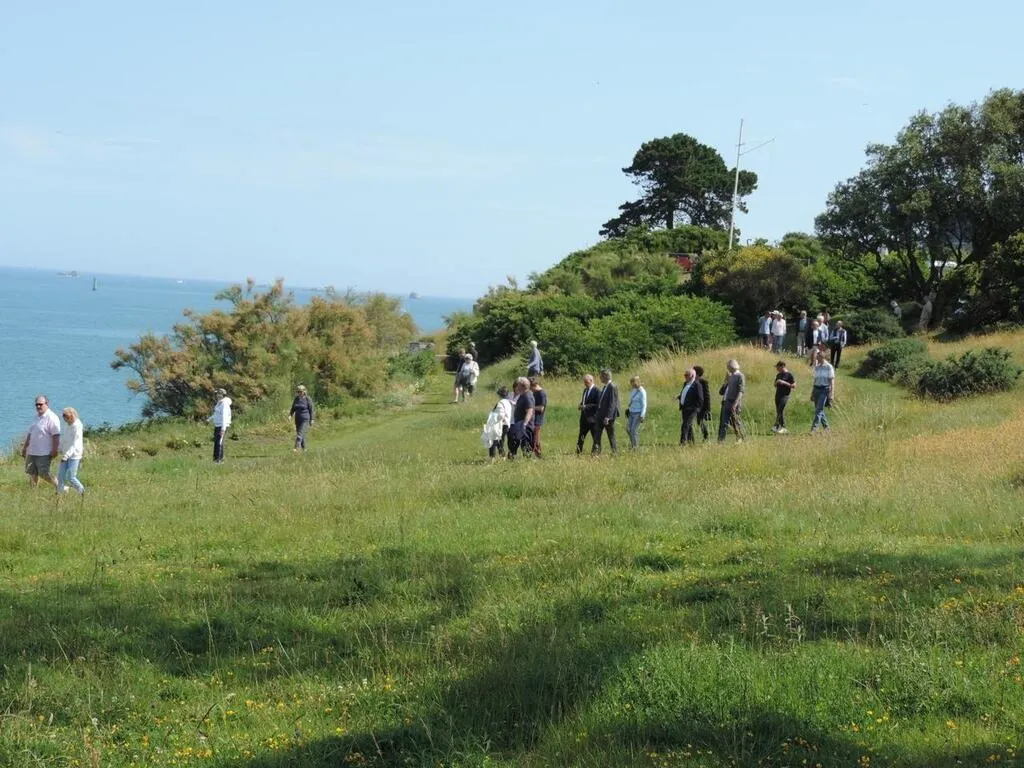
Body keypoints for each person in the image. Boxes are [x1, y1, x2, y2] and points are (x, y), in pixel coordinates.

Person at [22, 394, 61, 488]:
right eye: (36, 405)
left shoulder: (52, 418)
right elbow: (30, 433)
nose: (38, 406)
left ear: (47, 404)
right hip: (32, 451)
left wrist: (55, 450)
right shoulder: (36, 416)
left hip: (44, 452)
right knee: (32, 473)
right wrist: (25, 448)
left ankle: (60, 486)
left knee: (44, 473)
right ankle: (33, 493)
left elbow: (56, 435)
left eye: (40, 404)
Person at [56, 407, 86, 496]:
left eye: (66, 416)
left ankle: (82, 492)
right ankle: (59, 494)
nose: (65, 419)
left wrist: (66, 456)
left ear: (71, 416)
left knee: (71, 477)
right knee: (60, 476)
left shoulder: (77, 426)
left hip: (74, 456)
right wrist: (59, 449)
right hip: (65, 454)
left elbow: (75, 443)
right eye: (63, 416)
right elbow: (64, 439)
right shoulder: (67, 425)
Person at [717, 359, 746, 443]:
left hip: (734, 402)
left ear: (732, 366)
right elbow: (721, 392)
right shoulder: (730, 376)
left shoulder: (740, 376)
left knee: (736, 422)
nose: (728, 368)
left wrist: (735, 403)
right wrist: (726, 381)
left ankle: (741, 438)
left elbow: (741, 391)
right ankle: (720, 441)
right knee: (723, 422)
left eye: (728, 367)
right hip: (726, 402)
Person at [592, 369, 620, 455]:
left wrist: (608, 417)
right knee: (597, 434)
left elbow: (612, 403)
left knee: (610, 435)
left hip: (607, 417)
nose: (600, 378)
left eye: (601, 376)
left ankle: (615, 452)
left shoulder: (612, 387)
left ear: (605, 376)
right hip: (600, 415)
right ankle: (596, 452)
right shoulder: (605, 387)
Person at [481, 386, 513, 460]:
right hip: (506, 424)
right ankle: (503, 457)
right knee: (500, 442)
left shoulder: (501, 403)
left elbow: (501, 415)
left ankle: (492, 459)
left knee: (492, 441)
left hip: (499, 424)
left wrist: (495, 421)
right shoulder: (508, 402)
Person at [507, 377, 535, 458]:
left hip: (525, 425)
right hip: (519, 424)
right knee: (514, 440)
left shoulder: (527, 396)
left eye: (518, 385)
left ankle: (528, 460)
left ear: (522, 386)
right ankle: (513, 455)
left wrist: (525, 424)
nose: (516, 387)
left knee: (525, 444)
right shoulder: (523, 395)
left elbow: (530, 410)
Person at [810, 348, 836, 433]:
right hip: (817, 389)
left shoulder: (829, 367)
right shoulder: (817, 367)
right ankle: (827, 428)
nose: (817, 359)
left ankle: (814, 428)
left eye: (818, 357)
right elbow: (815, 380)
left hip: (824, 390)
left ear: (822, 357)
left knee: (818, 410)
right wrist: (812, 393)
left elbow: (832, 381)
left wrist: (832, 394)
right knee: (819, 409)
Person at [678, 367, 704, 445]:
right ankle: (691, 442)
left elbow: (700, 398)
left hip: (692, 409)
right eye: (684, 375)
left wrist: (696, 408)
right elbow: (685, 394)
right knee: (688, 425)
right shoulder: (686, 384)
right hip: (684, 408)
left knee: (685, 425)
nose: (685, 376)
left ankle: (683, 442)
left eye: (687, 375)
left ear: (692, 376)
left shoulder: (697, 385)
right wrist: (679, 397)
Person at [576, 374, 600, 453]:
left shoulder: (597, 391)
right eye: (584, 382)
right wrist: (581, 405)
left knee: (595, 437)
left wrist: (586, 406)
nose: (585, 384)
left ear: (591, 381)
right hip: (584, 418)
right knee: (581, 436)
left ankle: (596, 452)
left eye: (586, 382)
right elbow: (584, 401)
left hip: (593, 419)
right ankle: (578, 452)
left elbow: (598, 404)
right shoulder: (585, 390)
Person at [772, 361, 796, 434]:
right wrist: (776, 383)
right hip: (777, 395)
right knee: (778, 411)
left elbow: (794, 386)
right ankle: (779, 427)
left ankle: (781, 426)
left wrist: (784, 382)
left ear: (782, 366)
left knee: (780, 410)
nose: (777, 369)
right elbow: (775, 385)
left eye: (778, 367)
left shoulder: (789, 375)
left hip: (785, 395)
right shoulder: (778, 375)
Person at [289, 384, 314, 451]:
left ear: (304, 391)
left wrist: (312, 419)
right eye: (298, 392)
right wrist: (290, 415)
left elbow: (311, 409)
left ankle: (296, 448)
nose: (299, 393)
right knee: (300, 433)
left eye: (300, 391)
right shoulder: (296, 399)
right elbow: (293, 408)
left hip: (305, 419)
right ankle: (304, 449)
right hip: (297, 419)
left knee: (300, 434)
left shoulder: (307, 399)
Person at [209, 388, 232, 463]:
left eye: (219, 394)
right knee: (216, 442)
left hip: (222, 425)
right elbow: (216, 414)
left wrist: (223, 428)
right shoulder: (219, 403)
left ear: (222, 394)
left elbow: (224, 416)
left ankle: (219, 460)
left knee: (219, 442)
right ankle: (215, 459)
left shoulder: (224, 403)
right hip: (217, 425)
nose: (217, 395)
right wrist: (209, 419)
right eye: (217, 394)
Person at [626, 375, 647, 449]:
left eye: (633, 383)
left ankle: (635, 447)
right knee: (628, 429)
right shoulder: (634, 390)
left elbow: (644, 405)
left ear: (637, 382)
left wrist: (642, 415)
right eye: (631, 383)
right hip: (631, 412)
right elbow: (632, 399)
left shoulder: (642, 392)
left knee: (633, 430)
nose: (632, 385)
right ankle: (633, 445)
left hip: (638, 414)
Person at [693, 365, 713, 441]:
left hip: (703, 406)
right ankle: (705, 435)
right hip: (696, 405)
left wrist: (708, 408)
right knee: (699, 421)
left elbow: (707, 395)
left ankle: (706, 435)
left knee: (700, 421)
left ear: (697, 374)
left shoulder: (703, 382)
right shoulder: (693, 382)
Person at [529, 377, 547, 457]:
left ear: (533, 385)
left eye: (530, 388)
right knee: (533, 437)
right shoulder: (535, 392)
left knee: (536, 438)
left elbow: (541, 408)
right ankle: (535, 453)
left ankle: (538, 453)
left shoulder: (541, 393)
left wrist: (530, 408)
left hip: (538, 419)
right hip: (533, 418)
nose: (530, 390)